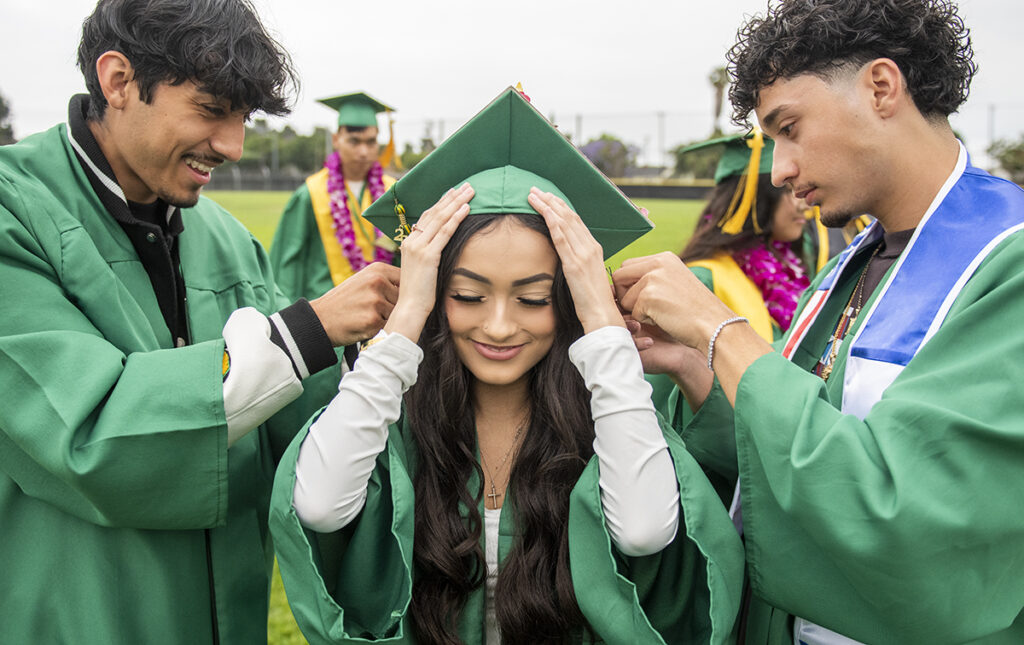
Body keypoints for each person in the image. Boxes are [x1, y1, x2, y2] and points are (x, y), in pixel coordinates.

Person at [269, 87, 745, 644]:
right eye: (468, 295)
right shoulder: (393, 411)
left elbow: (643, 532)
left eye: (534, 298)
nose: (497, 326)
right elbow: (321, 507)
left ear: (567, 300)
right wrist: (405, 322)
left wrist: (601, 320)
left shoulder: (608, 411)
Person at [612, 0, 1024, 643]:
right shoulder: (845, 272)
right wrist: (701, 370)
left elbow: (900, 511)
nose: (780, 171)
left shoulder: (1009, 263)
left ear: (881, 87)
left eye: (790, 127)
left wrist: (725, 333)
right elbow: (795, 458)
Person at [0, 1, 398, 643]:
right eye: (212, 110)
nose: (234, 147)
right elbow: (89, 435)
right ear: (118, 80)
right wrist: (306, 333)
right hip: (83, 615)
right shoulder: (12, 216)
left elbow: (306, 441)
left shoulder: (229, 239)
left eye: (243, 119)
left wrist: (406, 351)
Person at [679, 130, 810, 341]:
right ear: (753, 200)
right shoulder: (702, 280)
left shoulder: (789, 268)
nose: (804, 204)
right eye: (789, 191)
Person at [270, 92, 399, 303]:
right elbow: (288, 264)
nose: (364, 151)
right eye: (354, 141)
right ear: (336, 139)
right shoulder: (309, 194)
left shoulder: (392, 193)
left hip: (382, 310)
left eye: (371, 142)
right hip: (323, 309)